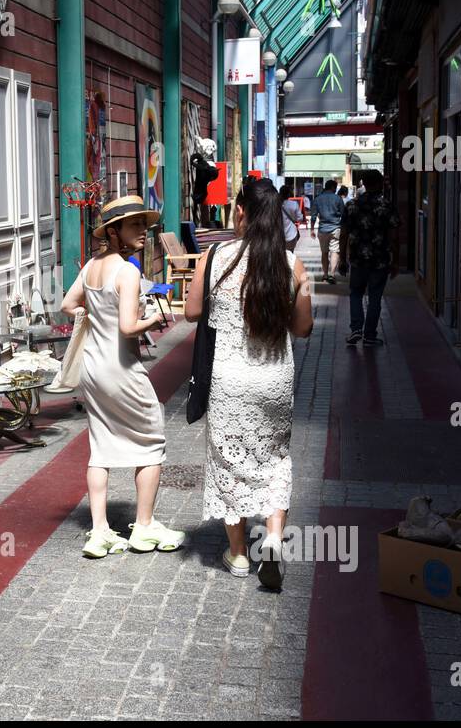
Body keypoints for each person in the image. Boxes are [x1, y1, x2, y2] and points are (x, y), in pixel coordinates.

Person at [185, 178, 313, 590]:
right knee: (275, 460)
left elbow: (191, 313)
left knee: (229, 461)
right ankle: (273, 537)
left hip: (229, 379)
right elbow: (304, 328)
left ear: (240, 211)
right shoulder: (290, 264)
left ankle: (238, 554)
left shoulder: (215, 256)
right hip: (274, 378)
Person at [60, 195, 186, 559]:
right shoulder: (127, 271)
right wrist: (155, 320)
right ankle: (143, 527)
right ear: (113, 232)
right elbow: (130, 327)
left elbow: (68, 305)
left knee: (100, 446)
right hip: (122, 368)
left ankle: (99, 531)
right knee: (151, 440)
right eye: (134, 226)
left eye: (144, 226)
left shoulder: (91, 267)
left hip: (93, 368)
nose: (143, 232)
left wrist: (98, 312)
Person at [338, 168, 399, 346]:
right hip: (380, 260)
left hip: (357, 259)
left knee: (356, 293)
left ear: (363, 183)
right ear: (380, 184)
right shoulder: (386, 206)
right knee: (375, 297)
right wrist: (396, 261)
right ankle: (369, 335)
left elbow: (344, 234)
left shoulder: (352, 206)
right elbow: (394, 235)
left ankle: (356, 328)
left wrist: (342, 258)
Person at [311, 179, 345, 283]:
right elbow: (343, 214)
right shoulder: (338, 198)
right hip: (336, 229)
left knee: (324, 253)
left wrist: (312, 229)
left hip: (323, 229)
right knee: (335, 251)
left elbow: (313, 216)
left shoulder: (318, 199)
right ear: (333, 188)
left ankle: (325, 275)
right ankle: (332, 275)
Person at [279, 184, 302, 252]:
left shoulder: (276, 204)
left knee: (280, 255)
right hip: (292, 234)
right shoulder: (294, 204)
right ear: (289, 194)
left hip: (279, 235)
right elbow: (299, 218)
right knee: (290, 254)